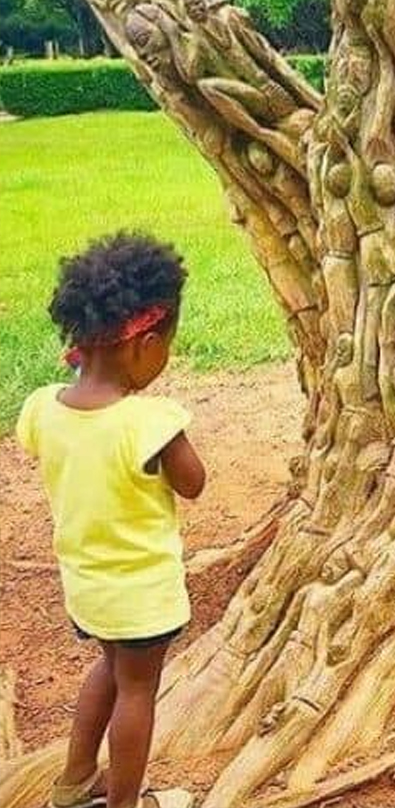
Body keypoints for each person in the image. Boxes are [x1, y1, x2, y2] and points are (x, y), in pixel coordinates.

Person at [15, 233, 205, 808]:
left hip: (88, 588)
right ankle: (126, 803)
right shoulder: (150, 424)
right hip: (143, 595)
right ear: (145, 344)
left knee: (108, 668)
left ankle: (73, 782)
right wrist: (170, 438)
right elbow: (194, 484)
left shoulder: (41, 408)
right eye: (167, 344)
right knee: (138, 690)